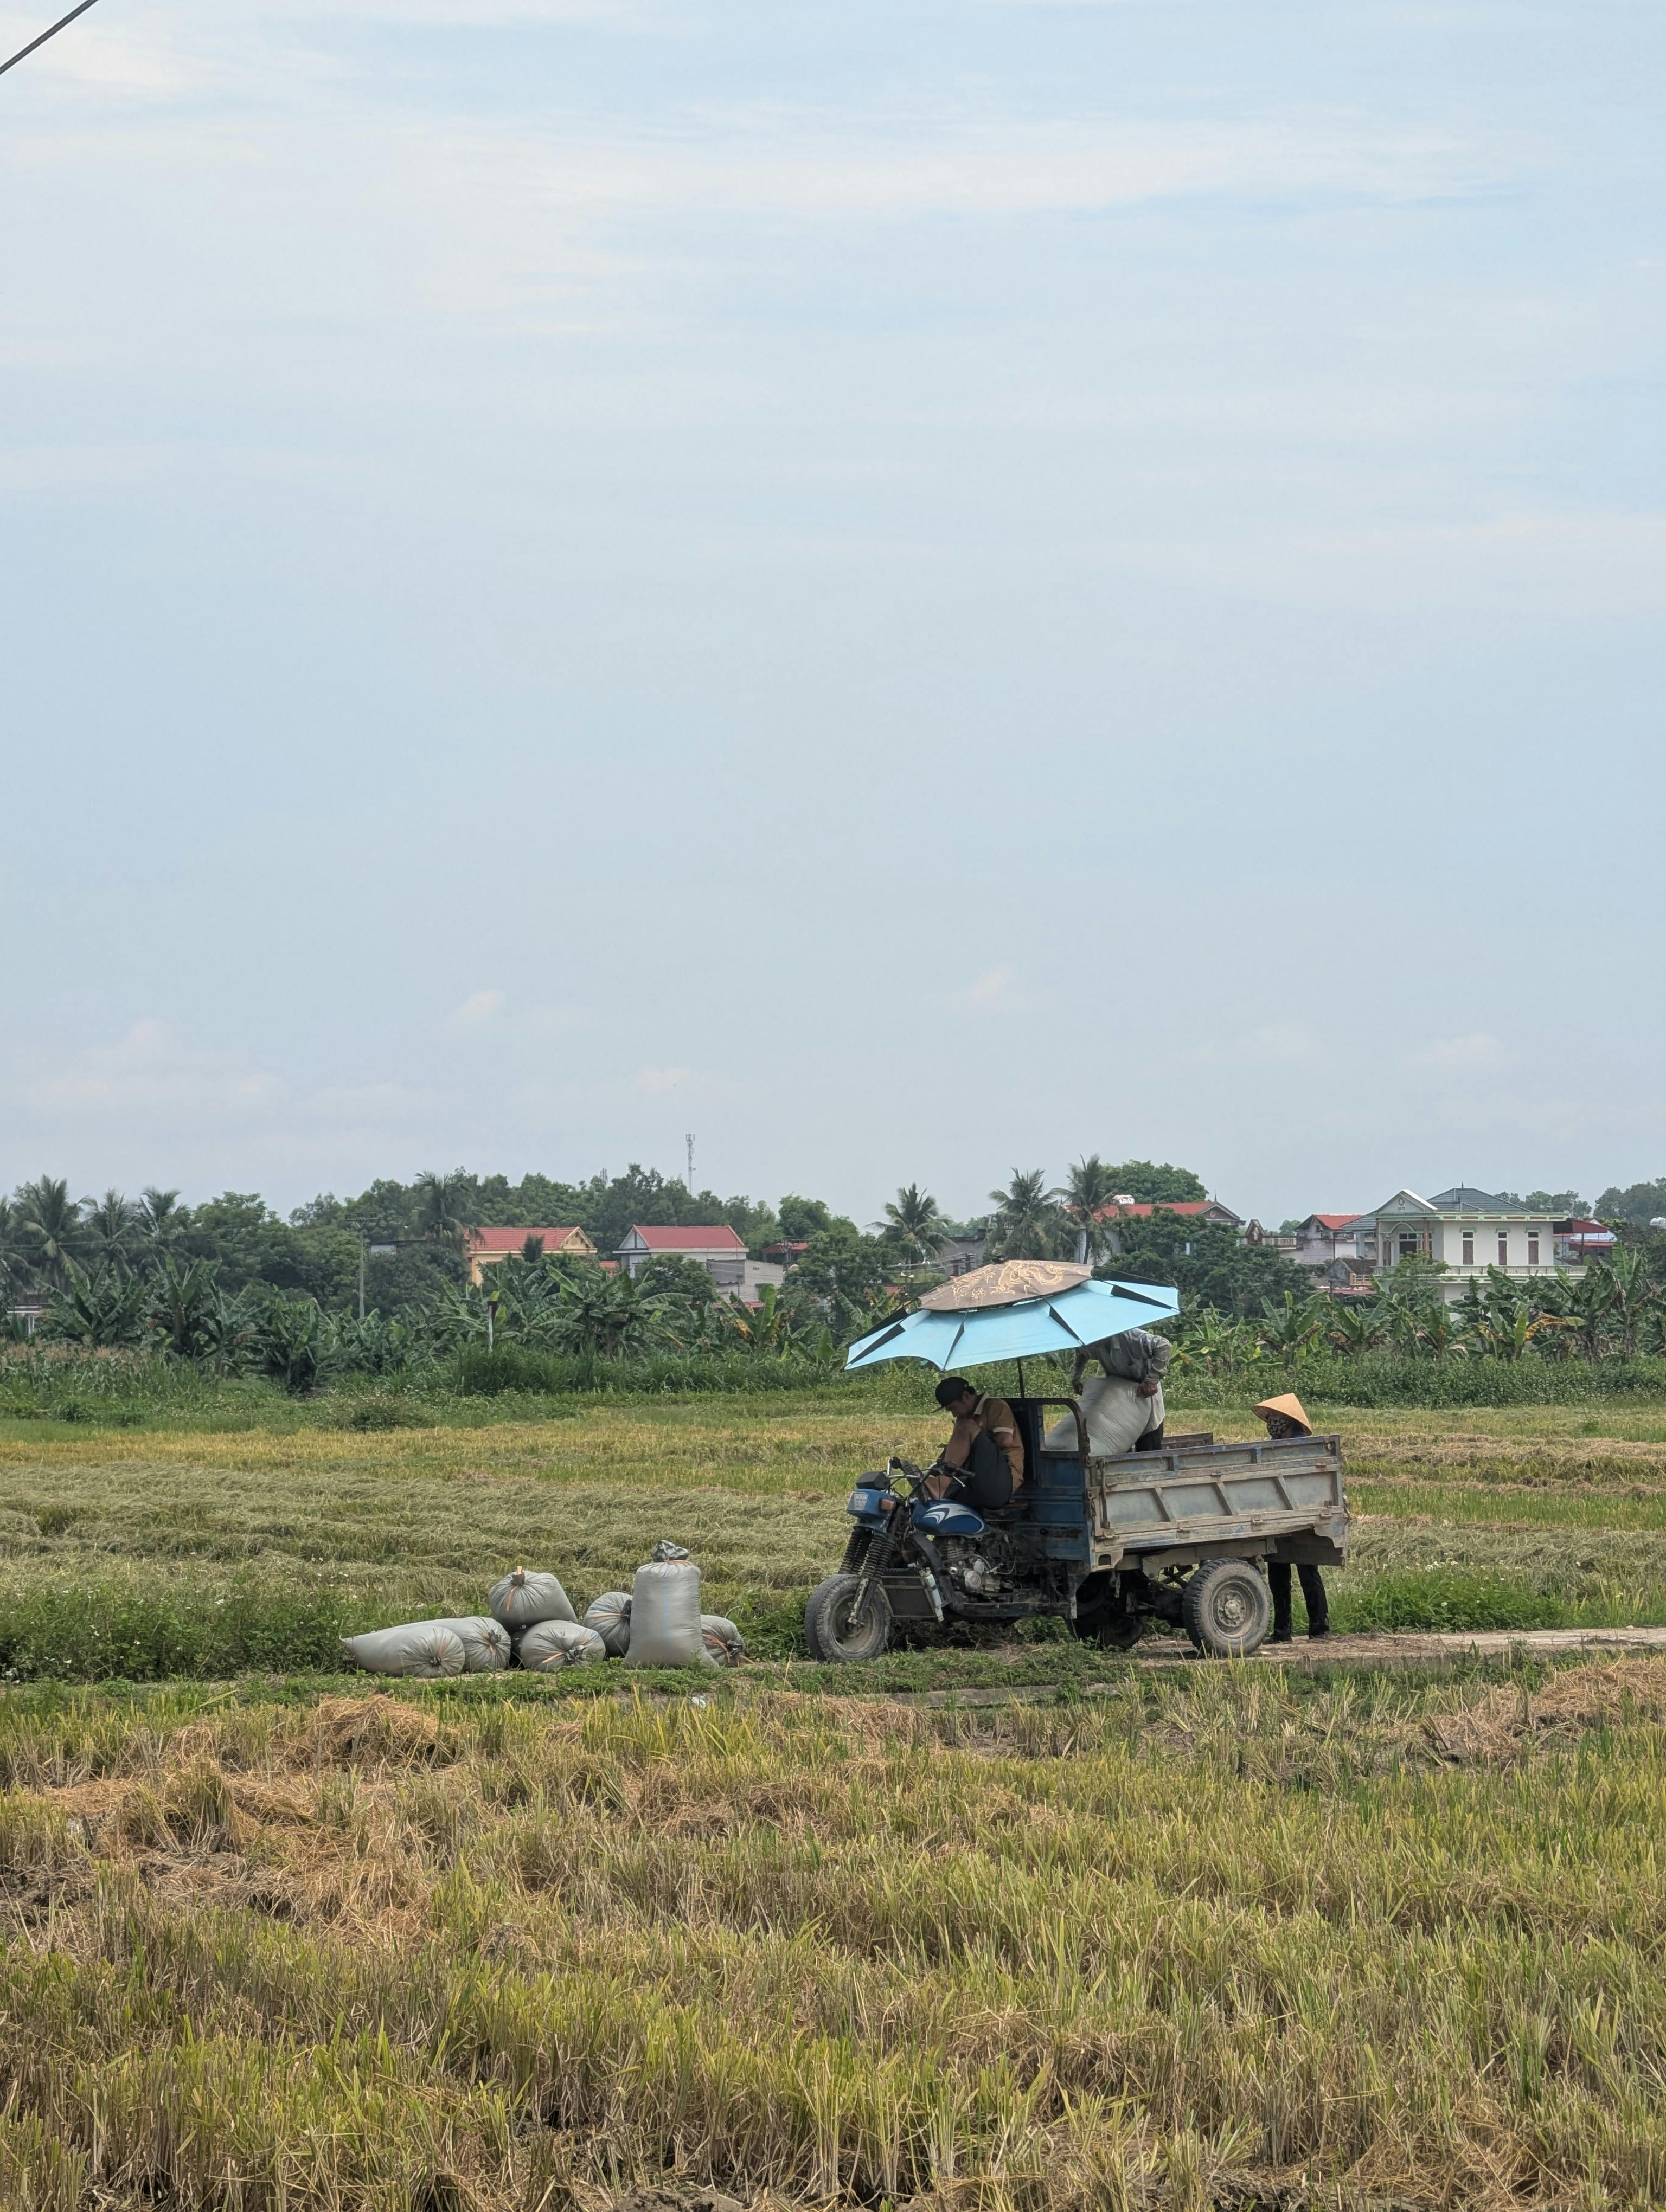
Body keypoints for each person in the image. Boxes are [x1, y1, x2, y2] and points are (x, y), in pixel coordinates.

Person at [1255, 1392, 1330, 1642]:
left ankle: (1319, 1628)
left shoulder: (1302, 1449)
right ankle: (1282, 1631)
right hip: (1277, 1517)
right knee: (1278, 1577)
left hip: (1301, 1516)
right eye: (1270, 1417)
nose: (1271, 1421)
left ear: (1288, 1420)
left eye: (1275, 1417)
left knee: (1308, 1573)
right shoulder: (1270, 1447)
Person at [927, 1375, 1025, 1510]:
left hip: (1003, 1481)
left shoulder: (995, 1406)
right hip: (974, 1481)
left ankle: (940, 1485)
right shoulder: (967, 1417)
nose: (954, 1415)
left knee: (965, 1426)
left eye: (953, 1408)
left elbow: (1005, 1440)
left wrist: (972, 1440)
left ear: (966, 1396)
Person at [1069, 1326, 1172, 1451]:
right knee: (1117, 1445)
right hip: (1117, 1399)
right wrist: (1076, 1378)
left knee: (1148, 1447)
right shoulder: (1093, 1343)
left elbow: (1164, 1346)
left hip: (1144, 1395)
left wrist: (1152, 1380)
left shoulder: (1131, 1337)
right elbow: (1081, 1353)